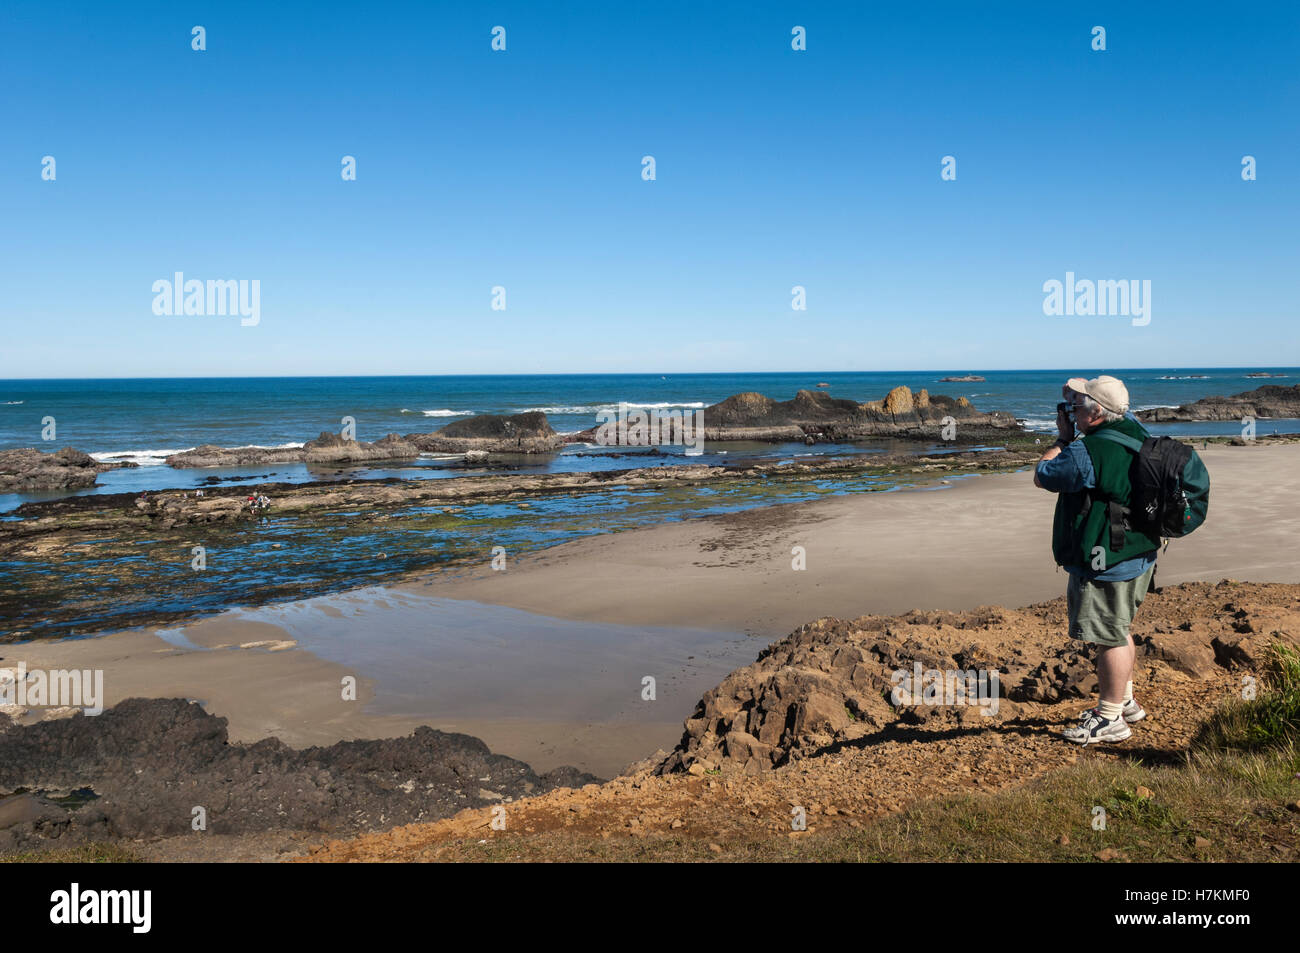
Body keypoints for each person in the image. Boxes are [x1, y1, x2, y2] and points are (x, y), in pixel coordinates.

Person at [1033, 375, 1160, 745]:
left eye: (1078, 405)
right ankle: (1124, 700)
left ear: (1096, 412)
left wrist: (1062, 438)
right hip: (1139, 551)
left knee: (1109, 636)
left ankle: (1109, 719)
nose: (1072, 409)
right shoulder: (1135, 429)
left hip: (1108, 557)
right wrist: (1077, 404)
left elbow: (1044, 475)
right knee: (1118, 627)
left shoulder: (1087, 452)